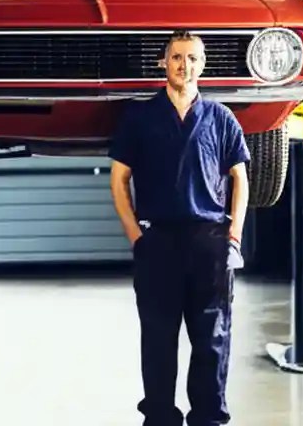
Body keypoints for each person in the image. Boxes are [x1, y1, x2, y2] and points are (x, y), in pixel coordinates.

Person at [108, 29, 250, 426]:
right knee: (158, 339)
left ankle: (208, 418)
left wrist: (233, 238)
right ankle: (159, 417)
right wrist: (137, 237)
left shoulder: (221, 118)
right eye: (176, 57)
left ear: (202, 65)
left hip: (209, 242)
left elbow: (240, 178)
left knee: (212, 339)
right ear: (163, 62)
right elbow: (118, 180)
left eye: (191, 58)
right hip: (159, 242)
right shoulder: (139, 117)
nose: (183, 65)